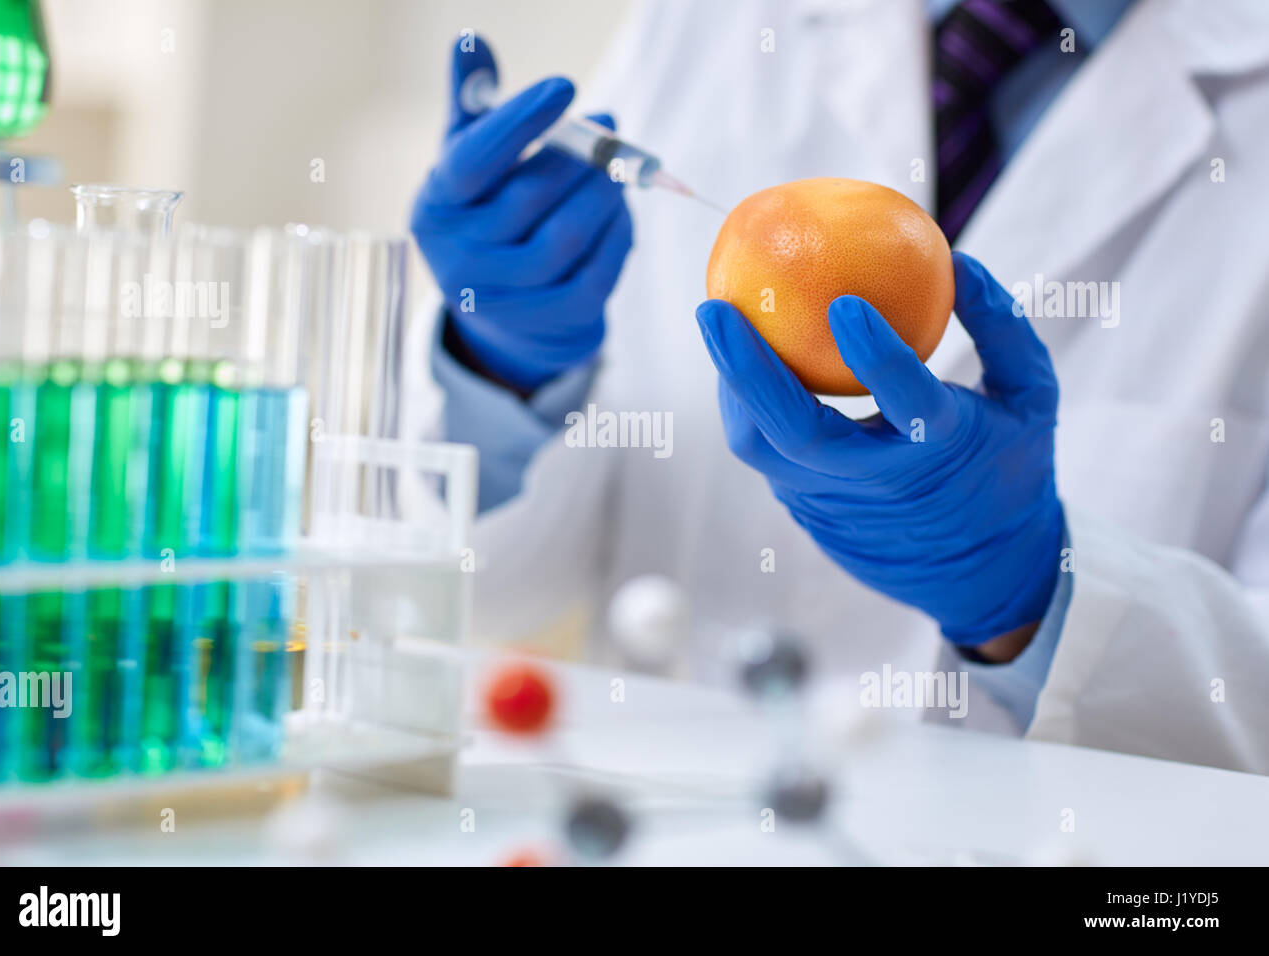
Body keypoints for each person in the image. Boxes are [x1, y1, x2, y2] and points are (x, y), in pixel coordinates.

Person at [407, 0, 1269, 774]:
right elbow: (492, 592)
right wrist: (505, 369)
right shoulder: (712, 23)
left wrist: (1035, 597)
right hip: (674, 817)